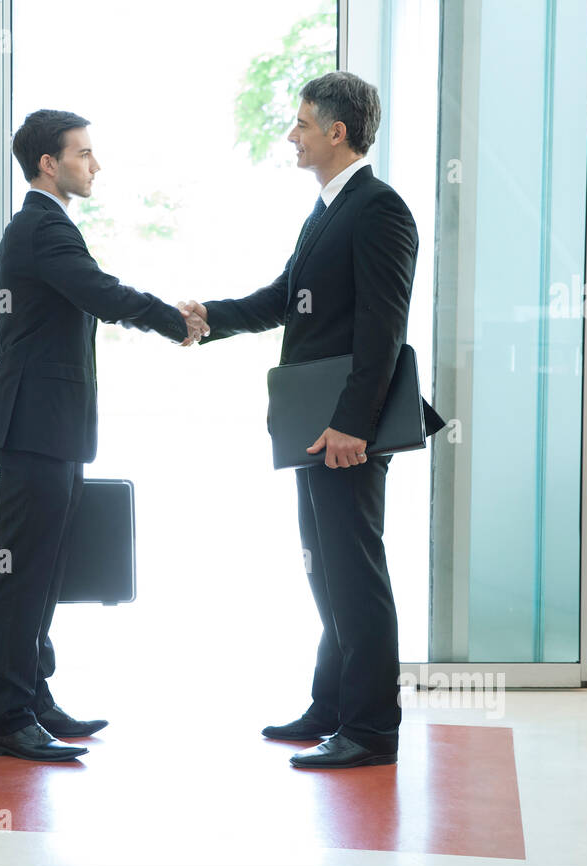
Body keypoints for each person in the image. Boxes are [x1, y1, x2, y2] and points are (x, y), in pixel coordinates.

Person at [179, 71, 416, 769]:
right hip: (317, 427)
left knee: (355, 569)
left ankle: (371, 729)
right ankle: (333, 705)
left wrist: (353, 425)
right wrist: (211, 318)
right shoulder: (328, 209)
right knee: (326, 569)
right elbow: (288, 297)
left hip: (346, 431)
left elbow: (382, 330)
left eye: (302, 124)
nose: (292, 134)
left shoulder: (379, 209)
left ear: (336, 132)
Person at [0, 109, 209, 762]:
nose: (95, 165)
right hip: (36, 428)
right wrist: (174, 320)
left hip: (53, 427)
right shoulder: (42, 229)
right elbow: (102, 295)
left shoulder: (49, 227)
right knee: (22, 573)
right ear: (49, 164)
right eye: (84, 154)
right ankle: (6, 719)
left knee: (44, 570)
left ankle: (34, 698)